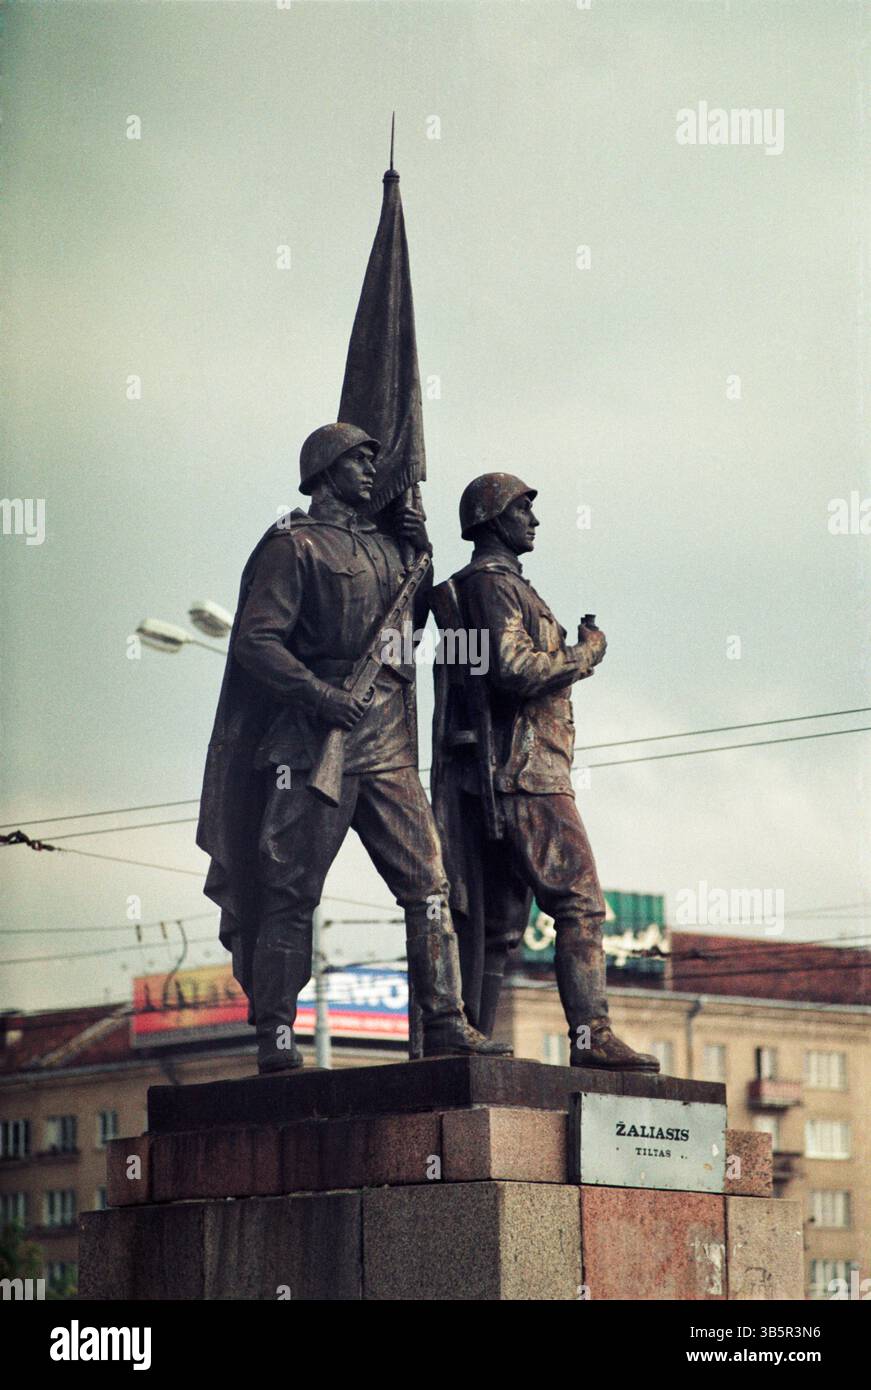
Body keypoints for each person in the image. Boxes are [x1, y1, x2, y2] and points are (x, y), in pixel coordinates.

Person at [197, 424, 510, 1073]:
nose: (373, 470)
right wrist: (318, 696)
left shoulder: (388, 551)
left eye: (374, 459)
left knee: (427, 884)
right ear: (325, 468)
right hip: (313, 745)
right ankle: (277, 1030)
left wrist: (417, 550)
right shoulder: (295, 545)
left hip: (387, 742)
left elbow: (411, 627)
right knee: (290, 890)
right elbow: (256, 643)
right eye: (359, 460)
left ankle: (445, 1019)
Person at [430, 472, 659, 1071]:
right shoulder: (494, 585)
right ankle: (592, 1036)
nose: (534, 520)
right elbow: (512, 668)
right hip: (526, 772)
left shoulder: (500, 586)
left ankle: (469, 1045)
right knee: (580, 901)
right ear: (491, 518)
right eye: (522, 510)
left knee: (502, 926)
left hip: (516, 768)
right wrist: (584, 655)